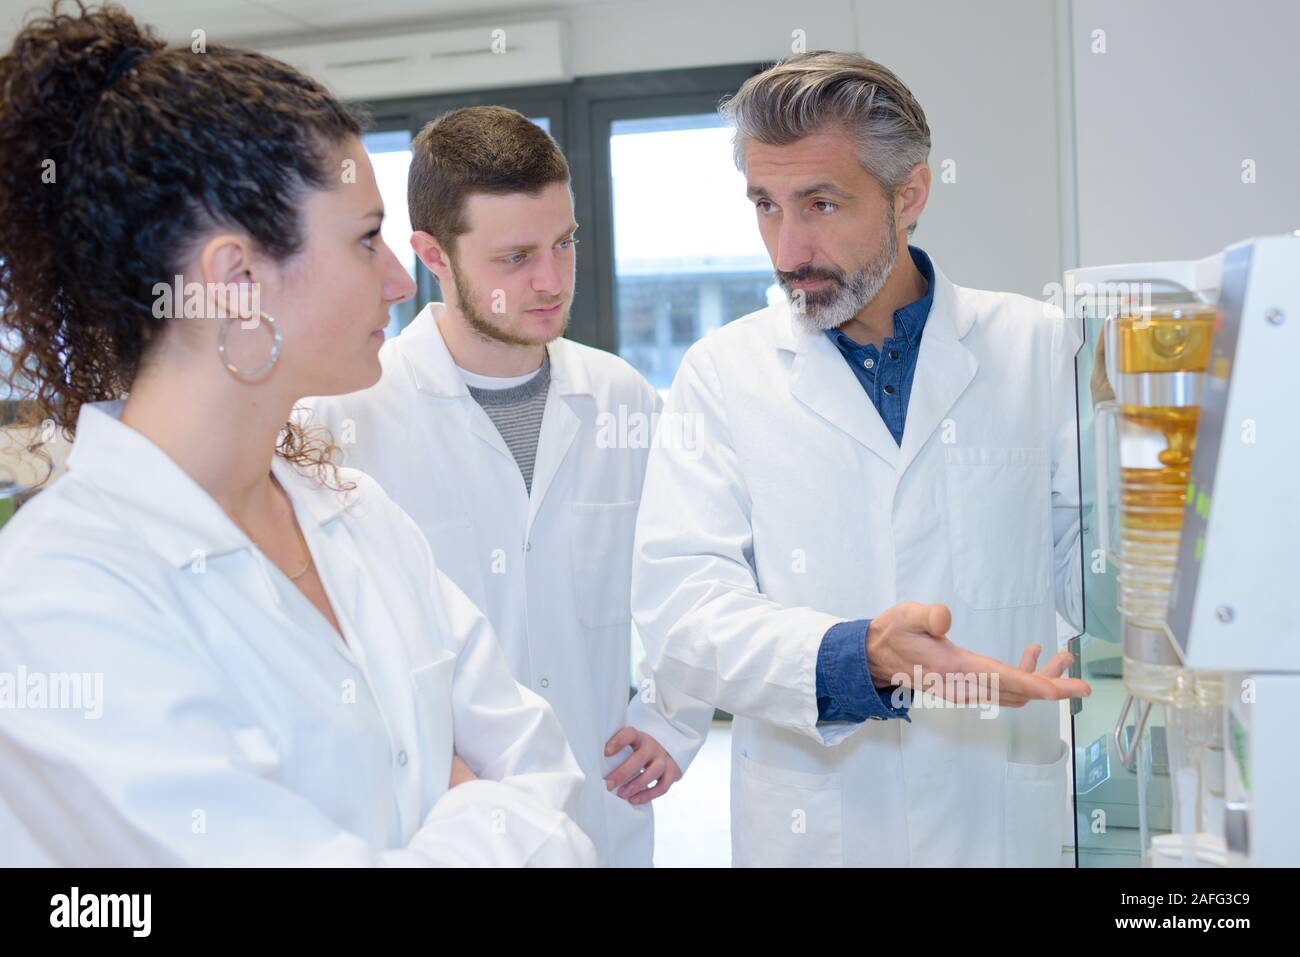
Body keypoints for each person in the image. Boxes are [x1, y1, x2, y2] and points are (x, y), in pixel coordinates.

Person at [0, 1, 594, 867]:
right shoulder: (59, 595)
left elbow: (552, 778)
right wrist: (473, 802)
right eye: (365, 241)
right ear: (236, 279)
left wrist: (473, 812)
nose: (398, 280)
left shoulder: (360, 516)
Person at [632, 51, 1091, 867]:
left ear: (908, 195)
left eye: (821, 204)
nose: (787, 249)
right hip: (815, 824)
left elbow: (1088, 560)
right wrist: (857, 655)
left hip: (994, 812)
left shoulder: (1035, 344)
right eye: (766, 206)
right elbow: (684, 615)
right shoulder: (722, 374)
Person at [304, 106, 700, 867]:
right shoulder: (344, 417)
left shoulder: (621, 399)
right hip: (440, 824)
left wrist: (674, 715)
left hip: (603, 810)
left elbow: (689, 573)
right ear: (433, 256)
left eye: (564, 243)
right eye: (515, 257)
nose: (551, 281)